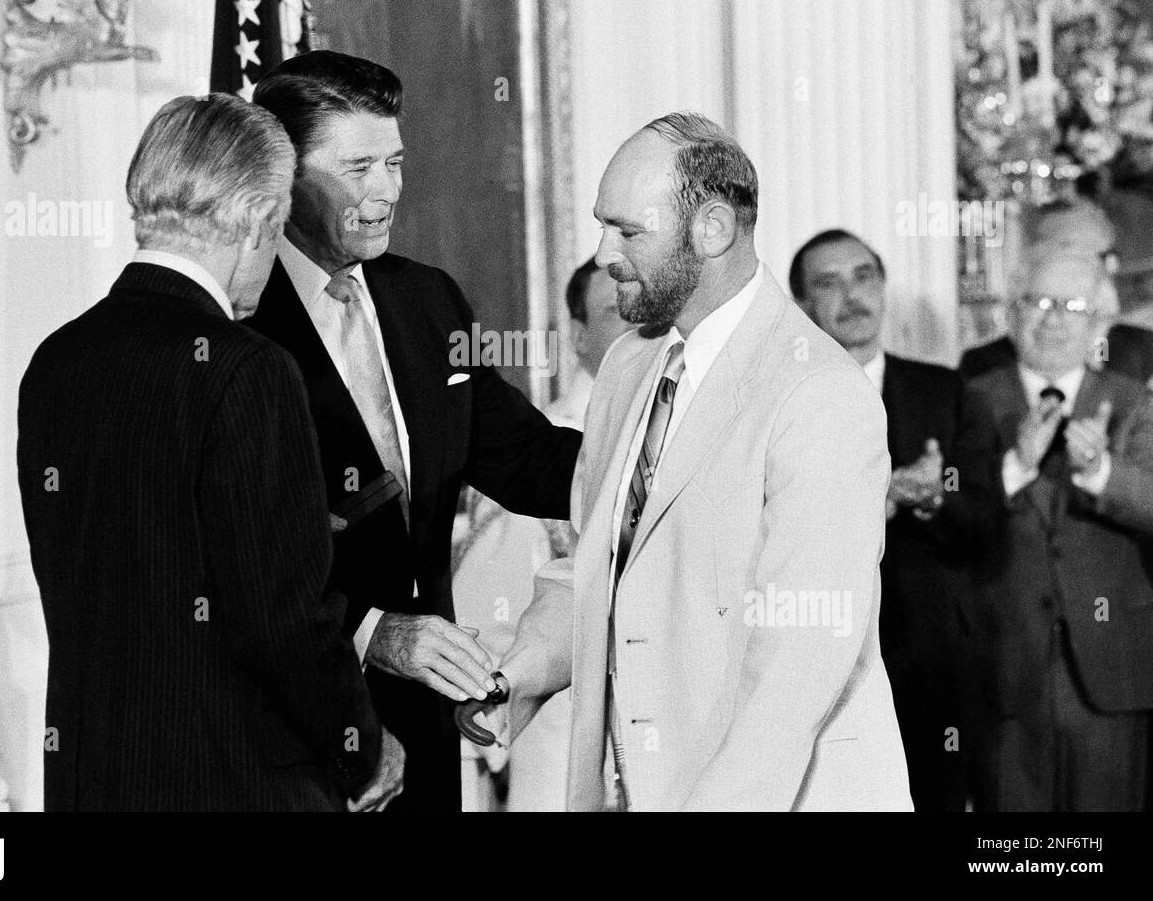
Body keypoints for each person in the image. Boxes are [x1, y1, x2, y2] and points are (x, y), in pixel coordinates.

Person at [483, 113, 911, 810]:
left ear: (711, 230)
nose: (602, 255)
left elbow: (796, 666)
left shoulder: (819, 393)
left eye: (627, 231)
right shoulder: (627, 365)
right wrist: (516, 675)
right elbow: (595, 567)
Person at [17, 94, 403, 811]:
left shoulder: (57, 361)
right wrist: (363, 746)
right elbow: (282, 620)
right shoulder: (243, 367)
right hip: (236, 785)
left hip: (92, 781)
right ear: (258, 218)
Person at [245, 51, 583, 811]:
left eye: (394, 162)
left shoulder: (428, 300)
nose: (386, 192)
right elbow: (232, 561)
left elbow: (527, 459)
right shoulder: (239, 324)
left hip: (429, 731)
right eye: (358, 167)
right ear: (283, 173)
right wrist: (374, 632)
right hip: (294, 734)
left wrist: (666, 453)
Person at [790, 228, 992, 811]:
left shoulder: (944, 391)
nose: (851, 296)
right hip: (820, 660)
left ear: (883, 285)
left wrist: (931, 498)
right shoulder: (781, 397)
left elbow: (985, 524)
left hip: (930, 662)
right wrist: (879, 495)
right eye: (827, 283)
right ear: (803, 304)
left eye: (863, 277)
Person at [964, 248, 1153, 811]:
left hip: (1109, 668)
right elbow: (947, 512)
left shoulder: (1130, 401)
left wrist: (1100, 472)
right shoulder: (967, 396)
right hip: (1001, 666)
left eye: (1071, 306)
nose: (1051, 319)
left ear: (1098, 322)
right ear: (1010, 312)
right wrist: (1015, 466)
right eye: (1036, 301)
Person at [453, 257, 631, 810]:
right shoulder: (537, 455)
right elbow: (483, 618)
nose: (638, 324)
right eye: (616, 311)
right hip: (561, 747)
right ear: (577, 336)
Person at [961, 198, 1153, 386]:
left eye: (1083, 255)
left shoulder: (1145, 352)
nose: (1067, 268)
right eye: (1055, 252)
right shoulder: (981, 367)